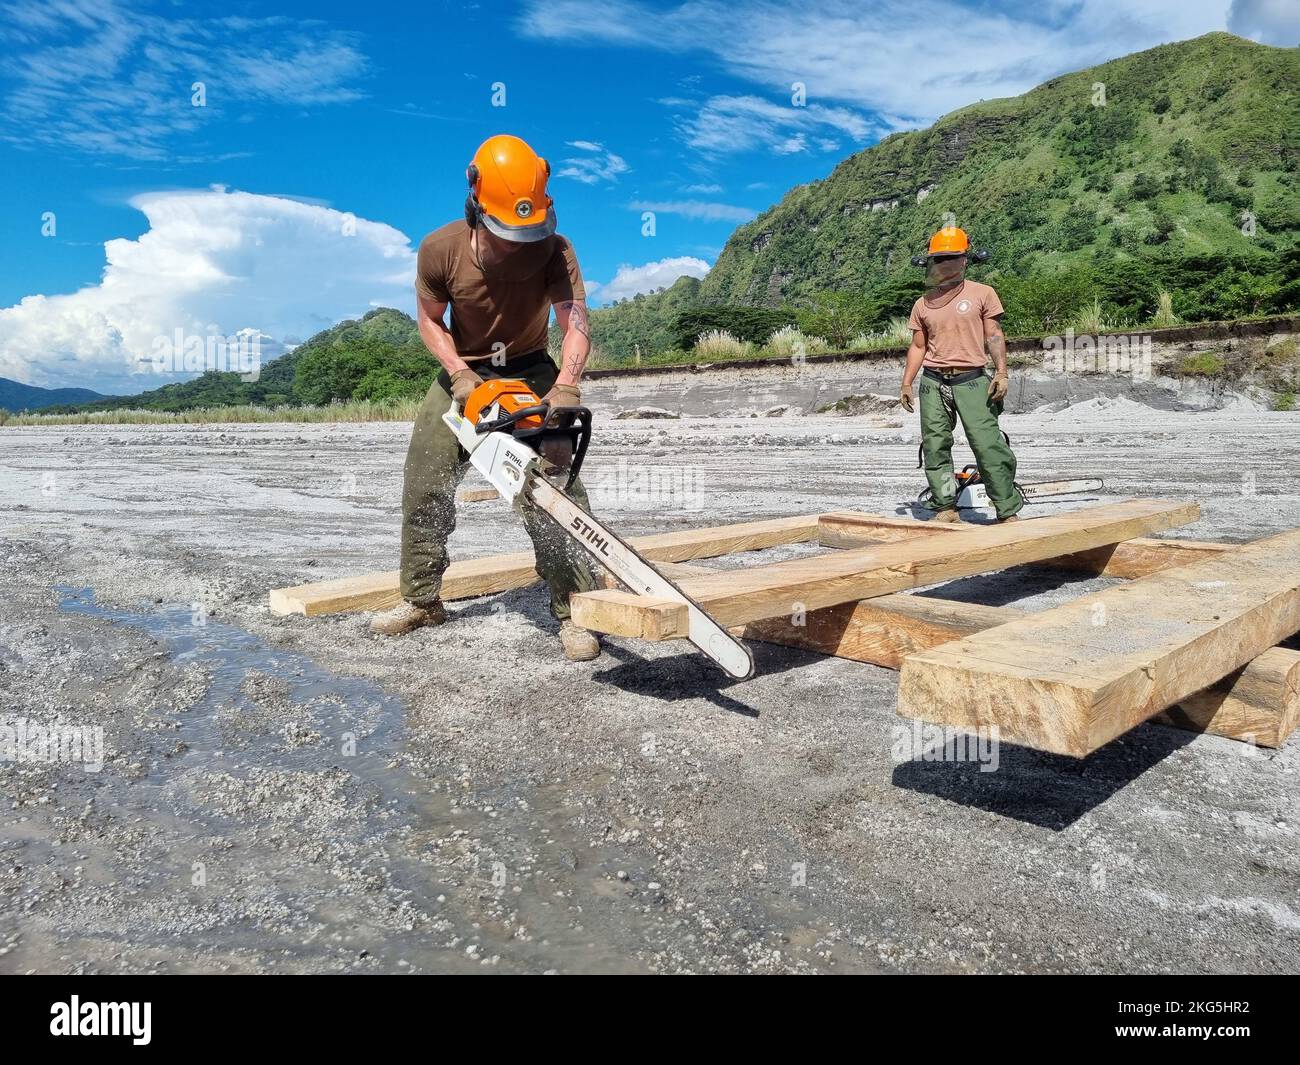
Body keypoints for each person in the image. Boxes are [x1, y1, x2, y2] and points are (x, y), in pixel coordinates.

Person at [370, 134, 601, 661]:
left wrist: (566, 383)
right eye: (506, 235)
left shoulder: (556, 251)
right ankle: (422, 600)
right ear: (476, 201)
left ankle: (576, 609)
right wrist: (458, 374)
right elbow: (430, 322)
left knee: (553, 489)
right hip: (465, 371)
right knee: (425, 481)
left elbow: (575, 322)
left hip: (530, 368)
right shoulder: (439, 249)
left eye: (528, 234)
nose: (518, 246)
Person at [899, 226, 1023, 523]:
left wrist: (1002, 373)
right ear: (932, 264)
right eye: (939, 261)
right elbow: (918, 346)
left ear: (965, 261)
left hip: (972, 379)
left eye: (951, 260)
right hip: (932, 380)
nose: (945, 266)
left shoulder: (983, 293)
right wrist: (906, 382)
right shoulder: (923, 304)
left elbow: (993, 335)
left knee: (987, 443)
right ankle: (945, 507)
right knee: (934, 443)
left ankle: (1006, 509)